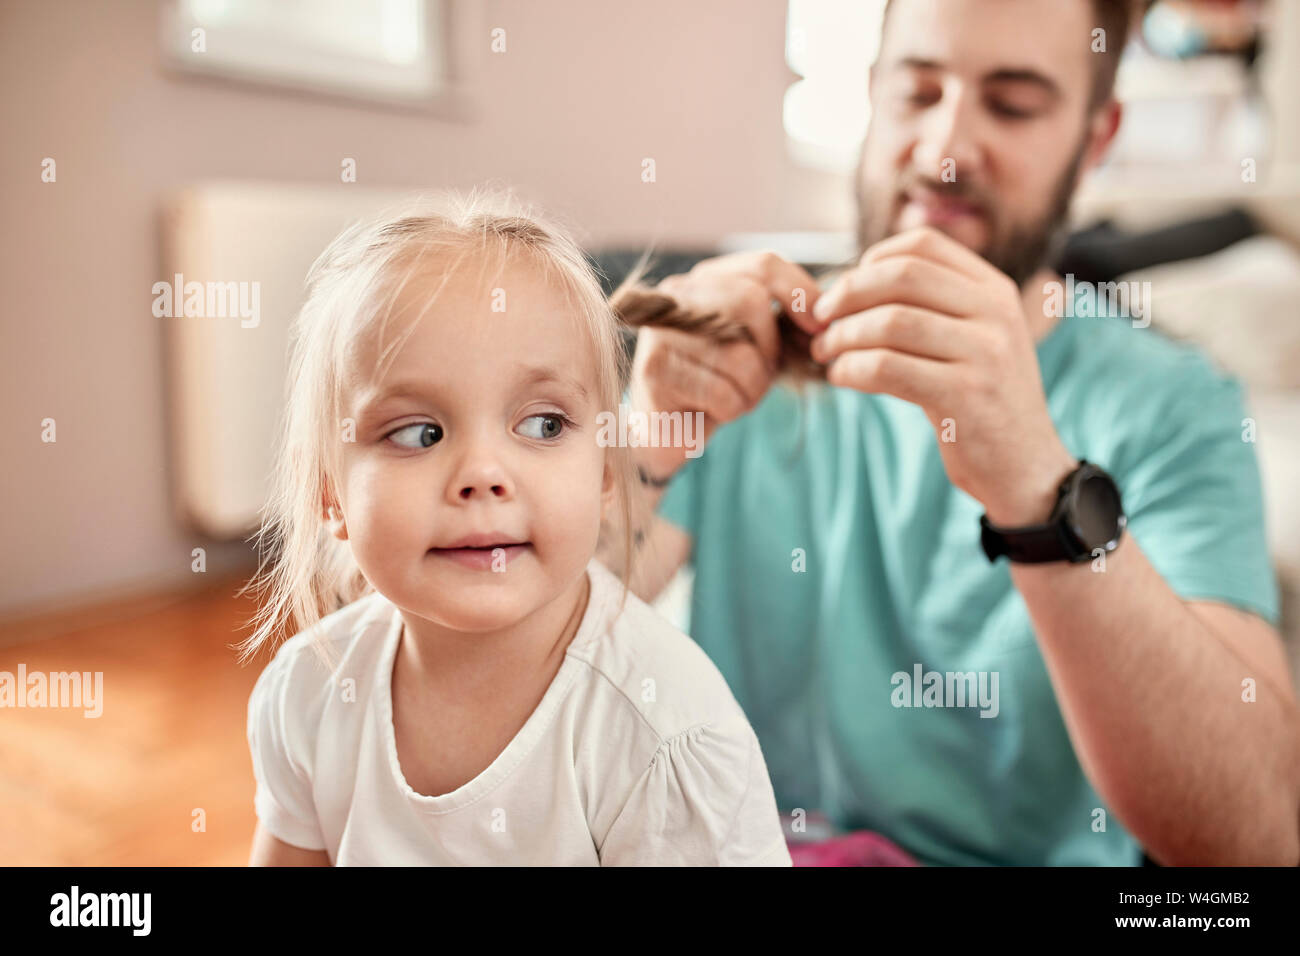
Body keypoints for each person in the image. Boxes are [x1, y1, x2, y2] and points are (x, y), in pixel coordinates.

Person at [614, 0, 1300, 865]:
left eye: (1012, 106)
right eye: (916, 91)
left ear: (1095, 138)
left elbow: (1259, 841)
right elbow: (502, 649)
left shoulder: (1179, 407)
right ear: (870, 96)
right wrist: (645, 442)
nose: (943, 150)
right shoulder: (746, 354)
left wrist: (1040, 491)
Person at [240, 188, 791, 866]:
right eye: (419, 432)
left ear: (606, 473)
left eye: (543, 424)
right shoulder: (310, 693)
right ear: (330, 492)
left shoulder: (665, 735)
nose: (482, 474)